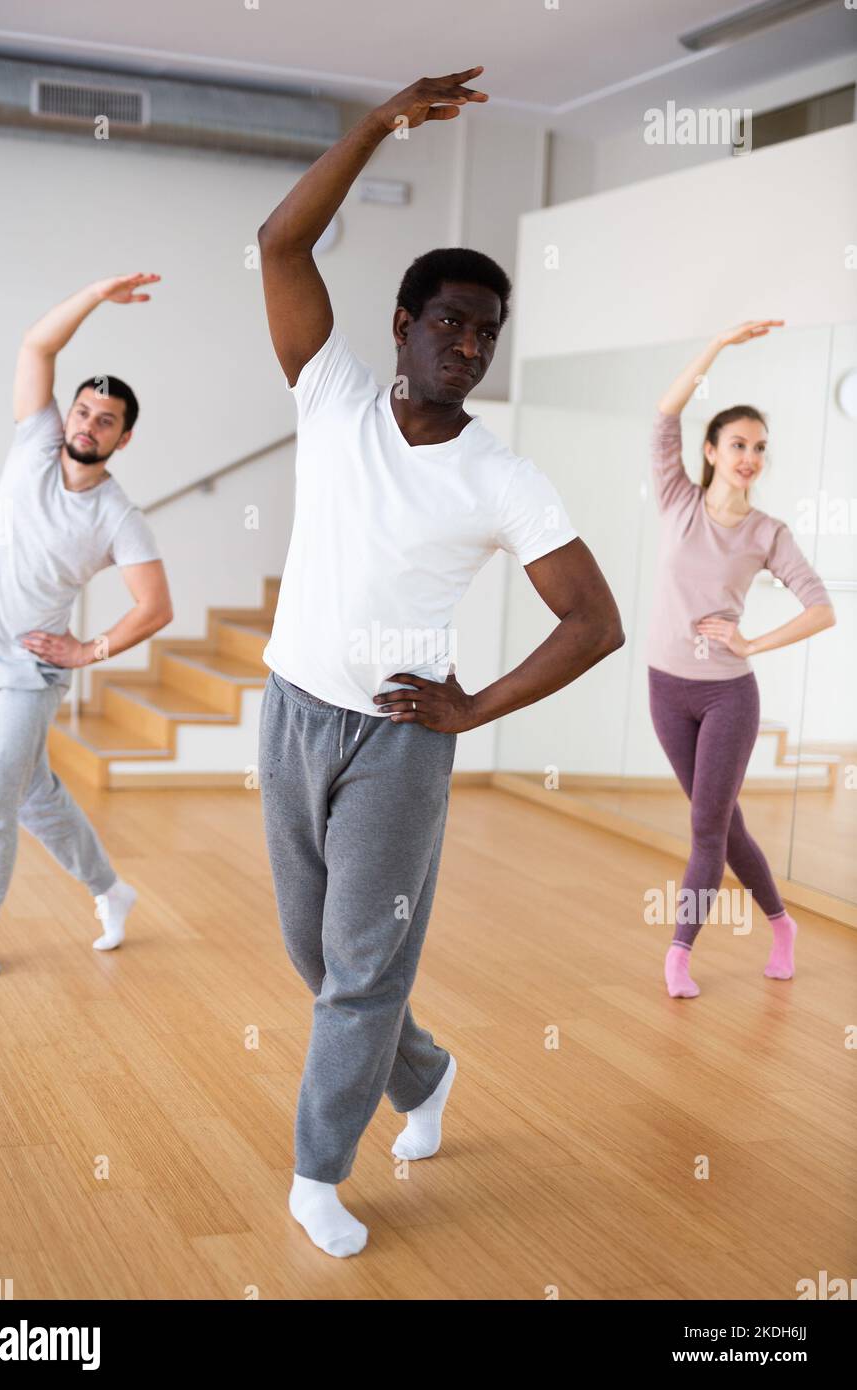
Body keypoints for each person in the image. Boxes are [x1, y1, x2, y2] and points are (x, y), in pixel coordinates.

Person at [256, 65, 625, 1258]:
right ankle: (425, 1068)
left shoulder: (501, 474)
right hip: (289, 709)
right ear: (403, 325)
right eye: (448, 322)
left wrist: (472, 708)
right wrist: (373, 124)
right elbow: (279, 242)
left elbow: (590, 619)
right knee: (316, 954)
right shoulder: (333, 398)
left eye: (484, 333)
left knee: (359, 967)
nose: (466, 345)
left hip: (399, 743)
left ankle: (320, 1170)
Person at [0, 274, 173, 981]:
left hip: (29, 673)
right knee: (32, 794)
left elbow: (155, 606)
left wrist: (88, 650)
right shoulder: (35, 440)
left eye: (104, 420)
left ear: (123, 437)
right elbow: (37, 342)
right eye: (83, 411)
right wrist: (97, 295)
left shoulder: (119, 518)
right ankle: (112, 890)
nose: (86, 425)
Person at [647, 320, 836, 999]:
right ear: (712, 450)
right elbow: (666, 411)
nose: (750, 456)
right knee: (727, 824)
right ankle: (782, 924)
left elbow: (822, 605)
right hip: (666, 687)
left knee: (706, 825)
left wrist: (753, 643)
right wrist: (718, 346)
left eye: (759, 447)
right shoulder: (677, 500)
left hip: (728, 693)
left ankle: (678, 954)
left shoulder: (767, 532)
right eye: (738, 444)